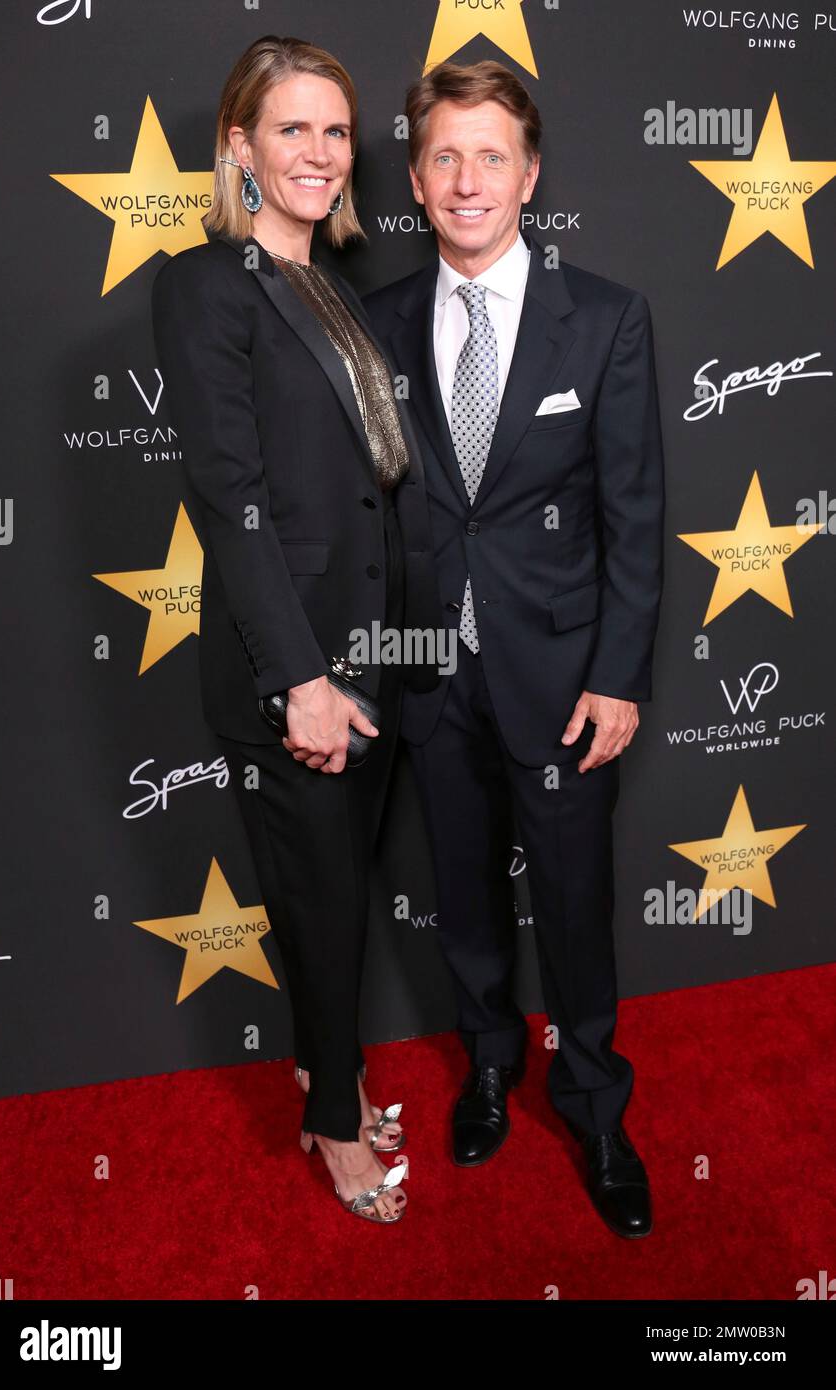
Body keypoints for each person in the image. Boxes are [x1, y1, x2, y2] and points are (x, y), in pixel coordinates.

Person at [365, 60, 665, 1238]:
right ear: (415, 176)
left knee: (576, 906)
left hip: (562, 682)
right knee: (462, 900)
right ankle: (488, 1063)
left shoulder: (604, 317)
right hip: (431, 678)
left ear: (530, 174)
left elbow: (632, 516)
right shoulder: (377, 322)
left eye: (491, 155)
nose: (466, 178)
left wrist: (616, 674)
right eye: (444, 155)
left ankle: (593, 1104)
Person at [151, 35, 441, 1224]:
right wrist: (301, 681)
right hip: (305, 673)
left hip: (374, 656)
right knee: (320, 903)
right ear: (241, 149)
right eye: (292, 130)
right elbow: (232, 497)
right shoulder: (206, 283)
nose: (320, 153)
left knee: (339, 897)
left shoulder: (331, 287)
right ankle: (332, 1127)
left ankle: (333, 1071)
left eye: (335, 131)